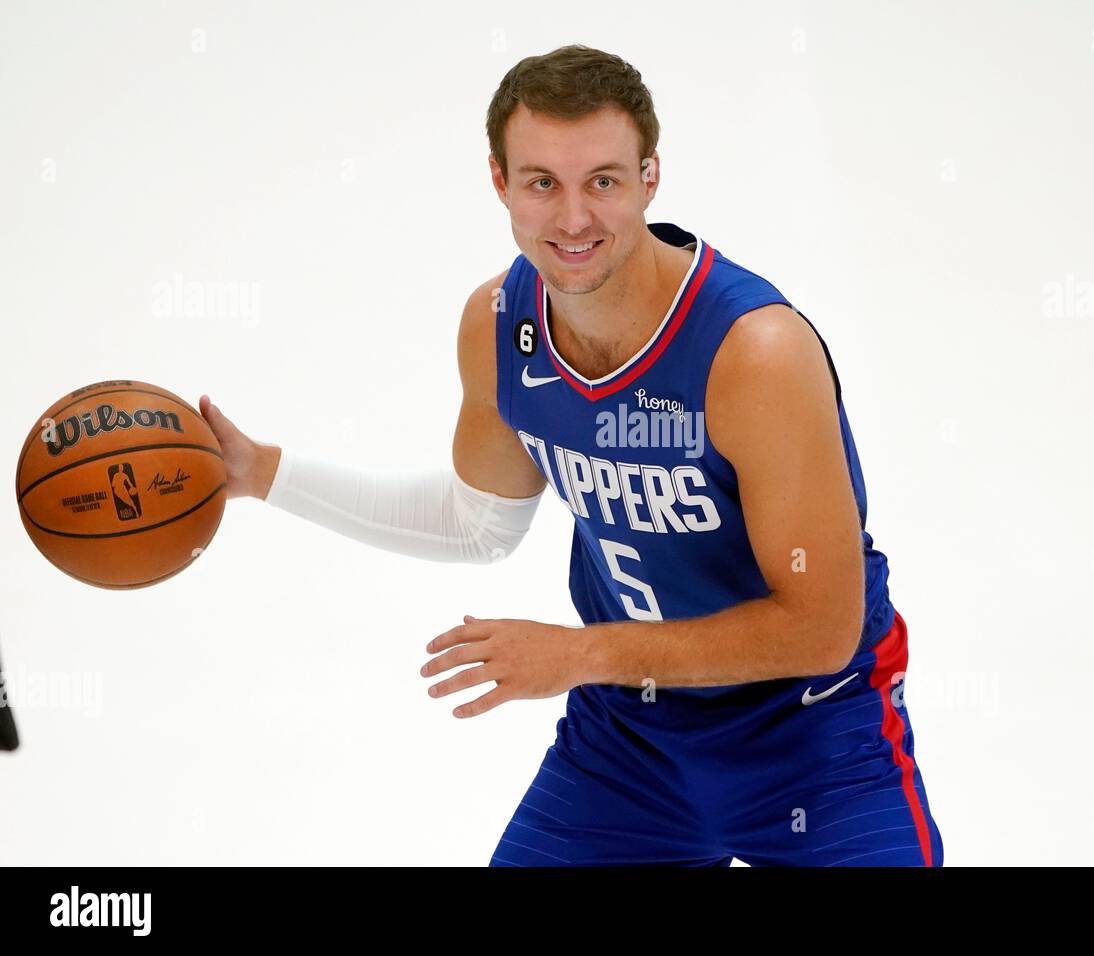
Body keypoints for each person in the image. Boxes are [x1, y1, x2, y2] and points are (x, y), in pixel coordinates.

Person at [200, 43, 943, 867]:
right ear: (500, 184)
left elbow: (823, 629)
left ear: (650, 179)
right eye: (542, 183)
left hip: (812, 739)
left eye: (603, 181)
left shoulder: (753, 351)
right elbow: (477, 524)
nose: (574, 219)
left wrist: (578, 654)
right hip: (633, 744)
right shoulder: (498, 324)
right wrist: (264, 474)